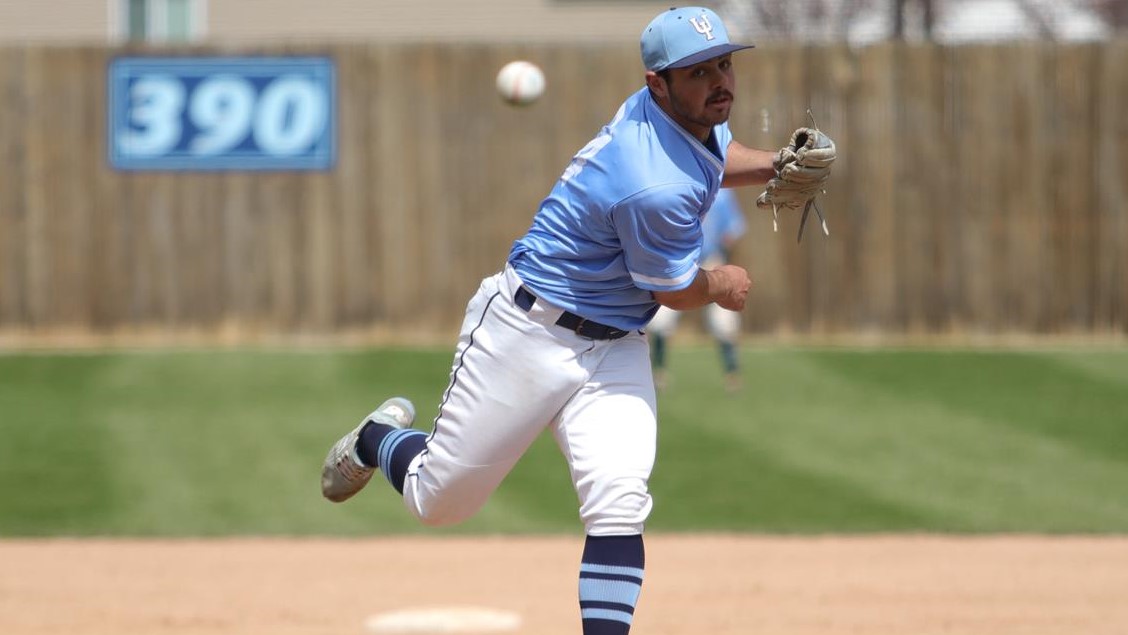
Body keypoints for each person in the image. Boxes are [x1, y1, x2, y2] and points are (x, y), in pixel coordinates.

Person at [320, 7, 834, 634]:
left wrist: (774, 162)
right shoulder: (650, 185)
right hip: (528, 333)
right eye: (699, 72)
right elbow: (675, 289)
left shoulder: (673, 114)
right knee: (438, 503)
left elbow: (715, 156)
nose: (720, 81)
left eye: (724, 64)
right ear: (658, 83)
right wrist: (725, 281)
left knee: (619, 500)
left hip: (615, 346)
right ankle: (378, 436)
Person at [648, 188, 746, 393]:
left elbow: (731, 231)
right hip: (678, 261)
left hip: (711, 260)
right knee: (660, 321)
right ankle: (658, 373)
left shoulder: (723, 193)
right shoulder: (676, 186)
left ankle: (732, 374)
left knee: (724, 322)